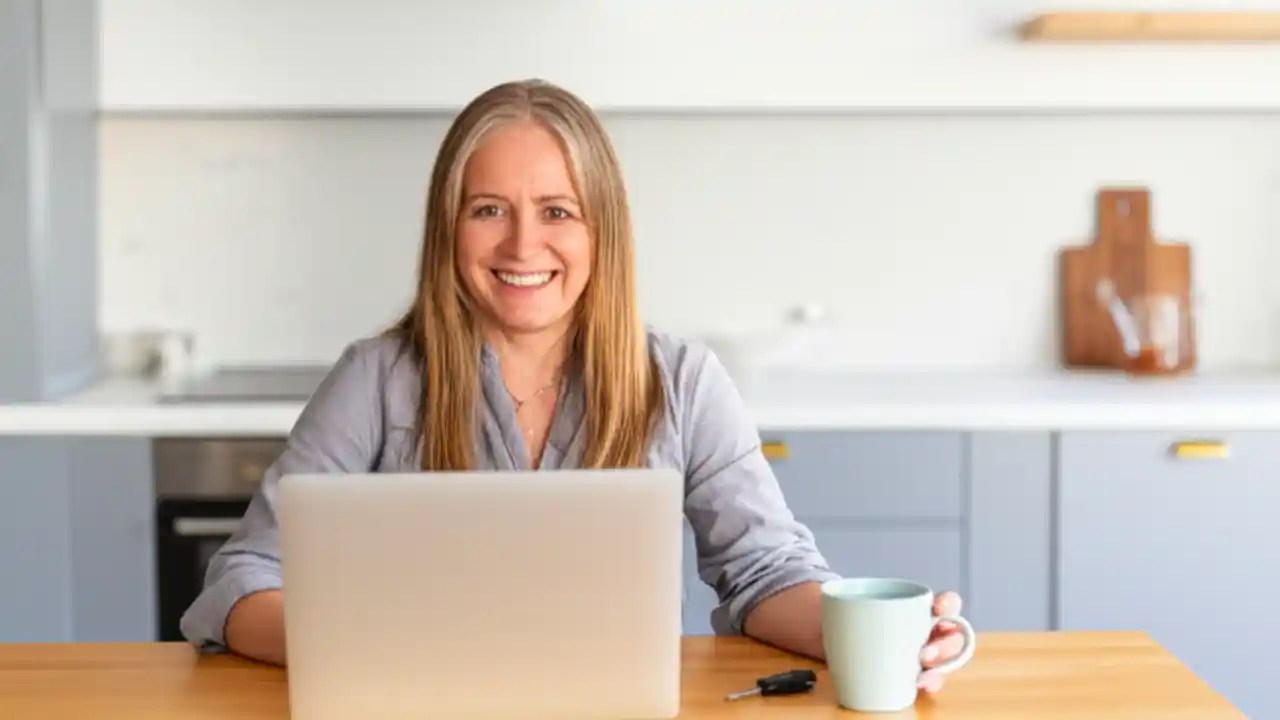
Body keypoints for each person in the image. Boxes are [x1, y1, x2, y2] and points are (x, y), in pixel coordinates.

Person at [179, 78, 968, 694]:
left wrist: (871, 635)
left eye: (558, 210)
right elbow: (244, 578)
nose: (525, 243)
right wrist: (361, 650)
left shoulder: (682, 380)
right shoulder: (377, 379)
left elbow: (763, 570)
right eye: (489, 209)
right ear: (448, 228)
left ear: (602, 230)